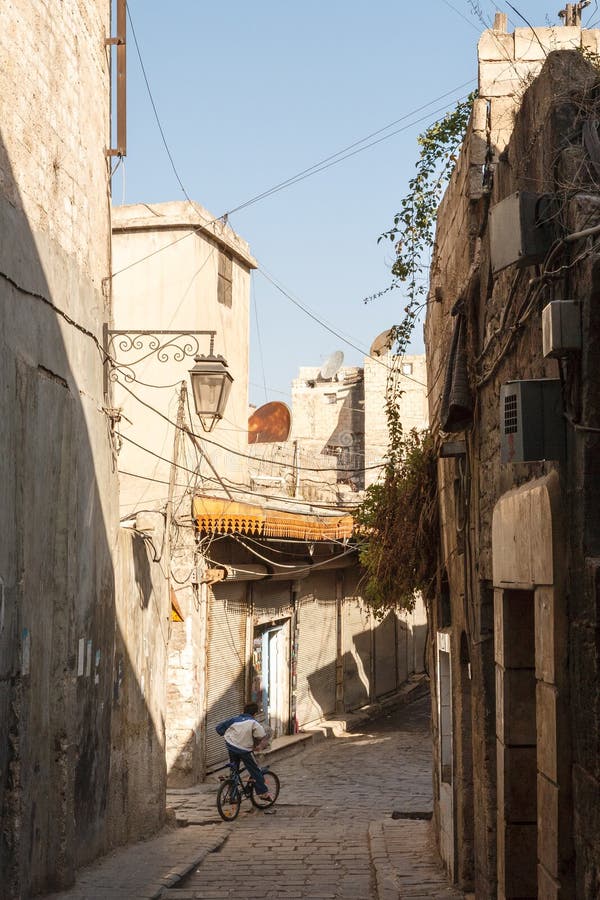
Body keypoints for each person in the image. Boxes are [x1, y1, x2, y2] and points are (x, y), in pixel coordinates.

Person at [215, 702, 272, 799]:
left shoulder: (234, 720)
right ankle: (262, 793)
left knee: (234, 769)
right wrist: (257, 745)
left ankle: (232, 794)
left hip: (231, 747)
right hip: (244, 750)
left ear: (243, 711)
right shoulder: (253, 722)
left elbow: (219, 729)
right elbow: (261, 735)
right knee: (255, 770)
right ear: (255, 714)